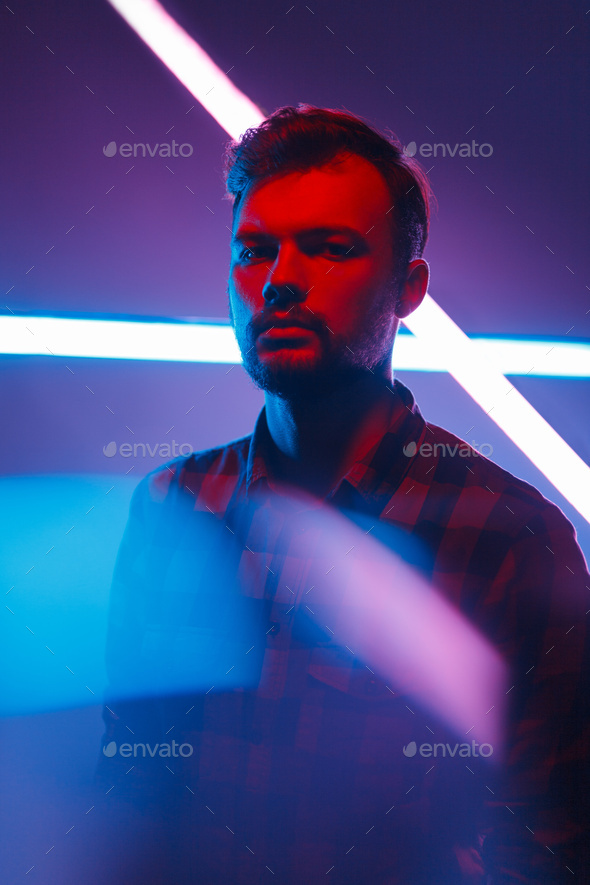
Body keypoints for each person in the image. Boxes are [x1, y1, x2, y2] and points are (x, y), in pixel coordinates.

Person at [95, 105, 590, 884]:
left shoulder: (511, 536)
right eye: (254, 250)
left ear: (409, 288)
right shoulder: (173, 505)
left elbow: (556, 847)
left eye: (330, 248)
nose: (281, 280)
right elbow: (129, 806)